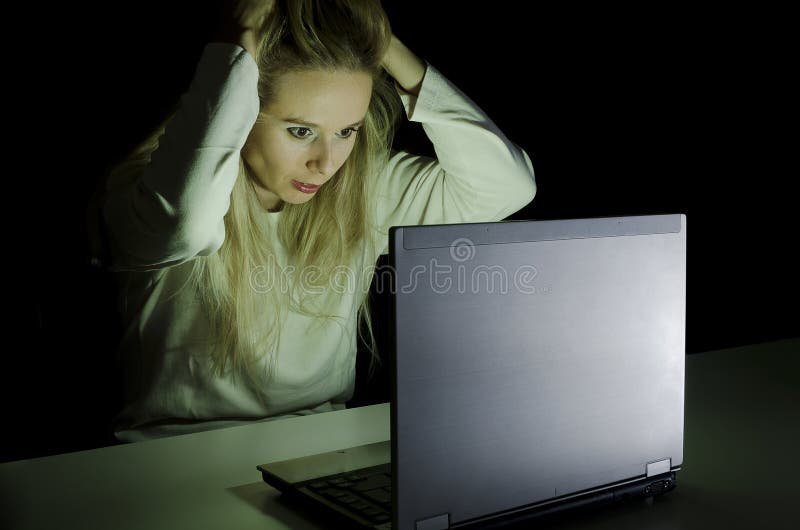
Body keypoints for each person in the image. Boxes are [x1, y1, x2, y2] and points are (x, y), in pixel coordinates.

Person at [96, 0, 536, 442]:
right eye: (301, 131)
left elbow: (507, 186)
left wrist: (386, 46)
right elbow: (183, 226)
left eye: (346, 131)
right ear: (239, 108)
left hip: (323, 448)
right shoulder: (150, 192)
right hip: (174, 457)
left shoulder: (364, 189)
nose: (326, 163)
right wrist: (237, 44)